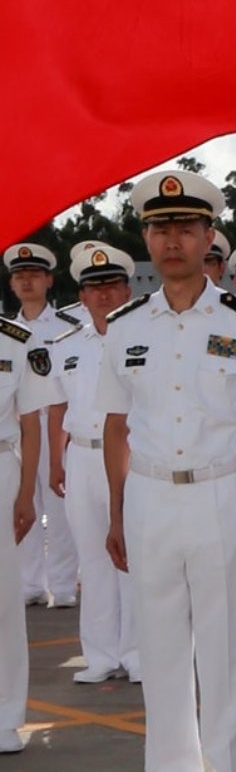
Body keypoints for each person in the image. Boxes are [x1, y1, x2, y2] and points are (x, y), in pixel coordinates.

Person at [98, 170, 236, 772]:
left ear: (209, 237)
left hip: (220, 493)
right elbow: (115, 427)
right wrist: (117, 514)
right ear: (145, 237)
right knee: (161, 649)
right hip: (148, 496)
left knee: (226, 647)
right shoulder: (123, 328)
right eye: (158, 227)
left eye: (184, 227)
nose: (171, 240)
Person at [51, 243, 143, 685]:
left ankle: (139, 653)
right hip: (82, 456)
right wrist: (57, 462)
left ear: (127, 289)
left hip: (132, 455)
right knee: (93, 557)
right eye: (93, 287)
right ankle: (102, 656)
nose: (102, 295)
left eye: (110, 285)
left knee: (134, 556)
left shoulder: (144, 336)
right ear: (81, 295)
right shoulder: (65, 346)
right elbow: (55, 408)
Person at [1, 293, 60, 752]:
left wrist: (25, 492)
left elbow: (31, 424)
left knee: (3, 600)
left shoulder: (13, 342)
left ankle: (4, 716)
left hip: (1, 465)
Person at [8, 240, 80, 607]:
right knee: (23, 503)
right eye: (19, 275)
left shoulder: (70, 327)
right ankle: (30, 582)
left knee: (60, 508)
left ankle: (63, 584)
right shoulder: (6, 332)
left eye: (34, 274)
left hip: (59, 426)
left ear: (49, 280)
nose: (26, 281)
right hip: (19, 428)